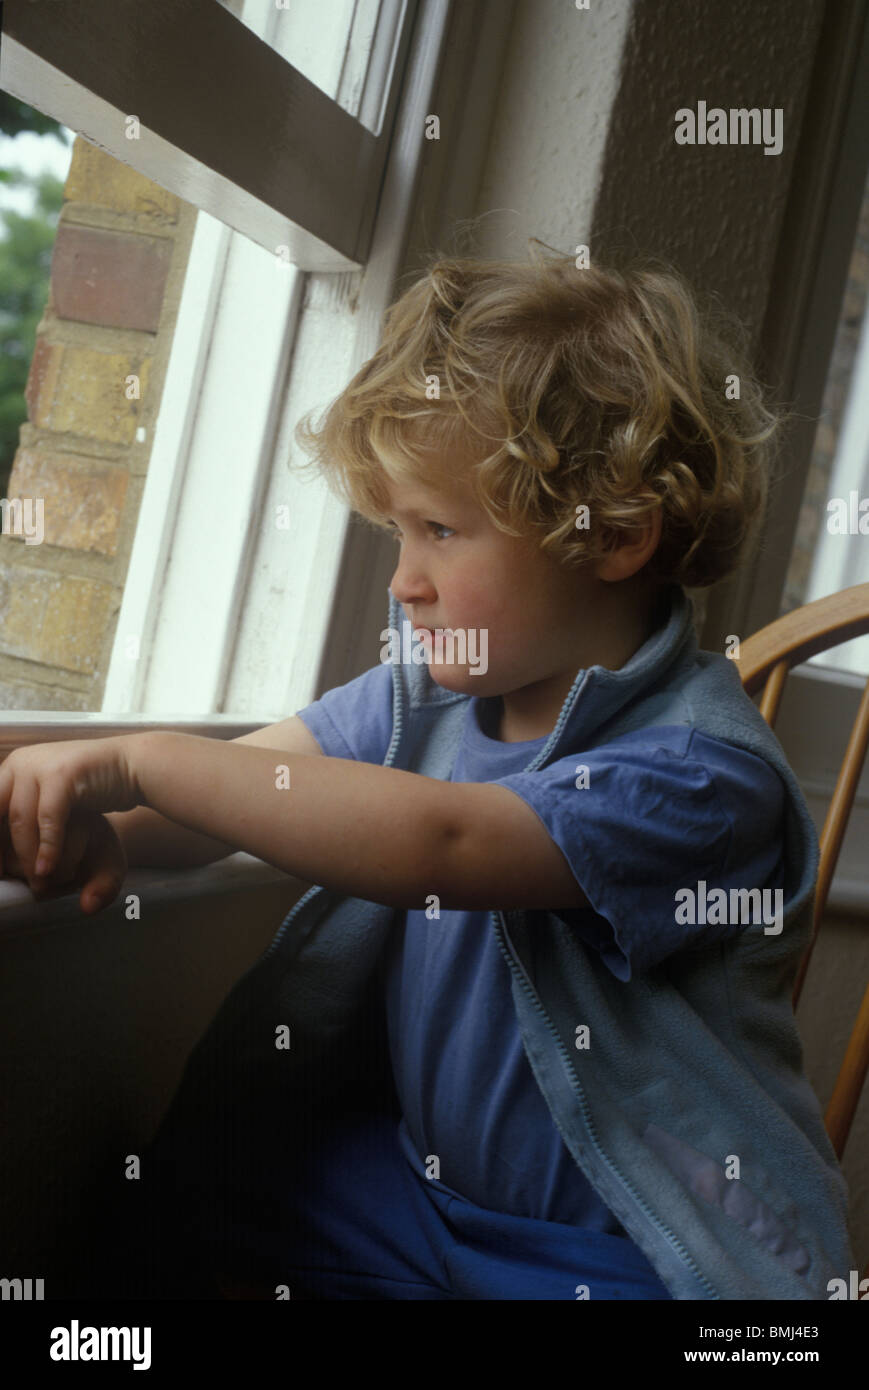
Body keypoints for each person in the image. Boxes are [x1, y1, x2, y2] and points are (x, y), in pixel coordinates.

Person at [3, 245, 857, 1300]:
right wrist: (81, 817)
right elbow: (250, 790)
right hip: (422, 1190)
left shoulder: (700, 769)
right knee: (182, 1198)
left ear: (615, 535)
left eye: (440, 531)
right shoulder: (428, 694)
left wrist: (140, 759)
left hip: (628, 1240)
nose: (404, 581)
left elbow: (441, 844)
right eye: (399, 531)